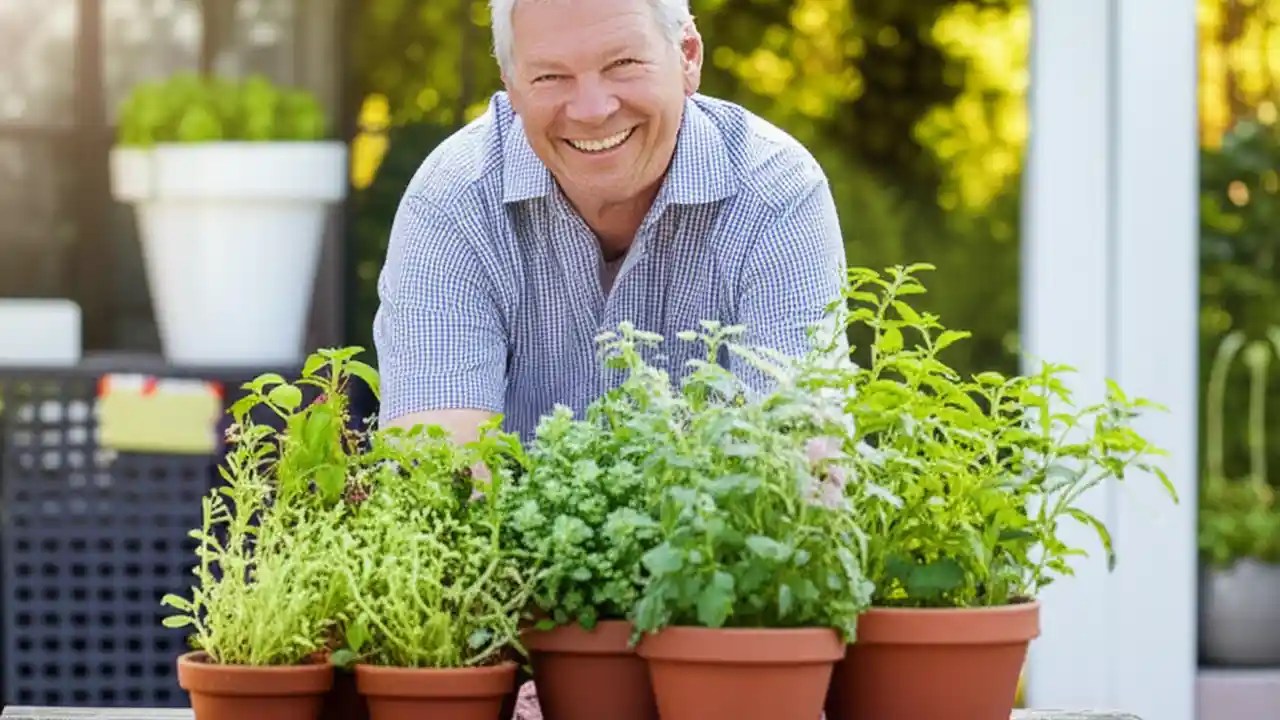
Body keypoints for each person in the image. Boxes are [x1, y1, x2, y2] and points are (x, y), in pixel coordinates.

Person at [373, 0, 846, 444]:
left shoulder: (772, 193)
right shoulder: (455, 200)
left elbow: (803, 460)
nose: (592, 110)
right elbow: (439, 470)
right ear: (512, 87)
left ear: (688, 55)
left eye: (623, 64)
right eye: (551, 76)